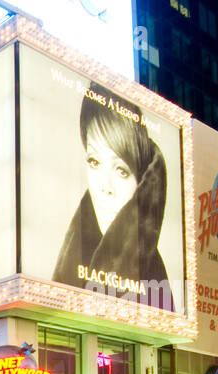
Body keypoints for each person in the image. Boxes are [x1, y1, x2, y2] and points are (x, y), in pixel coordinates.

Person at [53, 83, 170, 302]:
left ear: (141, 181)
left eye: (121, 170)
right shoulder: (72, 260)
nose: (105, 187)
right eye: (94, 162)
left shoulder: (153, 279)